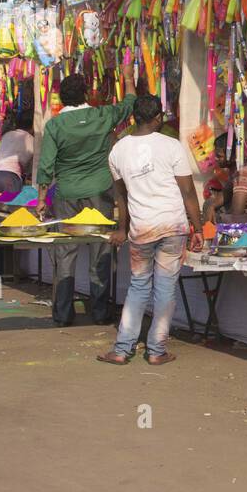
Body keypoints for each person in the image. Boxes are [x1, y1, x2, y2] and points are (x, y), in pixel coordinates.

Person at [97, 96, 203, 365]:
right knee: (166, 287)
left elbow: (121, 196)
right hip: (172, 225)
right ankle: (156, 350)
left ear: (133, 118)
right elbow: (188, 191)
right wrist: (198, 227)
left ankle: (122, 349)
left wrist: (123, 227)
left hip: (141, 227)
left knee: (138, 286)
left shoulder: (118, 150)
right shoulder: (171, 146)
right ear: (158, 117)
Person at [35, 70, 135, 326]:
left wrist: (41, 197)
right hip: (100, 191)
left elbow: (46, 165)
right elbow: (129, 104)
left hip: (67, 193)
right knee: (101, 251)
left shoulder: (55, 125)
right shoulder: (102, 115)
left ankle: (62, 314)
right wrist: (128, 79)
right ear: (86, 93)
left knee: (65, 253)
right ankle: (100, 313)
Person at [0, 108, 35, 197]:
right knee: (11, 208)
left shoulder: (7, 134)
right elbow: (28, 162)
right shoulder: (31, 139)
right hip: (8, 177)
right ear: (33, 125)